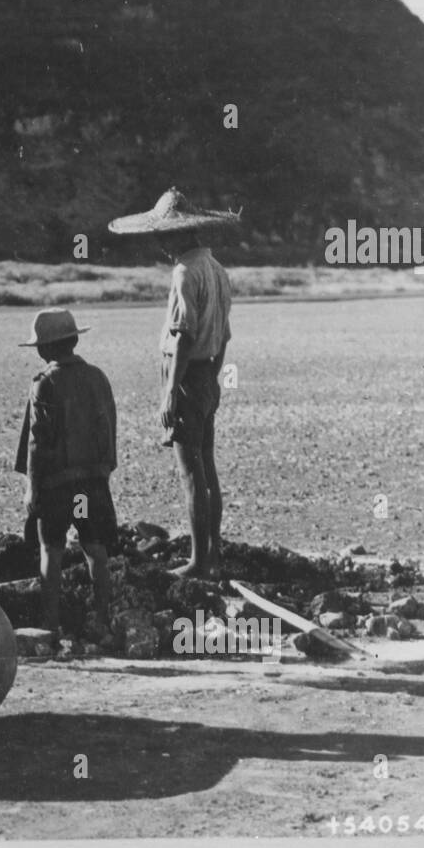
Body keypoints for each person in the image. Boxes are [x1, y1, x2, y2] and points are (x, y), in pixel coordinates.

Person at [109, 188, 238, 579]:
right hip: (206, 377)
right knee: (207, 467)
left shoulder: (185, 271)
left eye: (164, 236)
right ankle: (212, 554)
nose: (160, 244)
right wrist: (211, 379)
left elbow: (182, 335)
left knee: (190, 472)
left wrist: (170, 393)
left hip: (185, 378)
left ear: (181, 234)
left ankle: (199, 562)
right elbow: (225, 335)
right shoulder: (216, 268)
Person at [14, 309, 118, 639]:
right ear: (74, 341)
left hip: (58, 488)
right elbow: (108, 428)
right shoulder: (98, 377)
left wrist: (32, 488)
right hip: (90, 485)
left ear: (44, 350)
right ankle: (102, 619)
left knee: (51, 551)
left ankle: (50, 623)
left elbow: (37, 443)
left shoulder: (44, 384)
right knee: (95, 549)